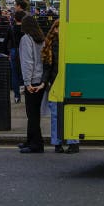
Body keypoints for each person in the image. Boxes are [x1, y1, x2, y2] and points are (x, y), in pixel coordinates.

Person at [41, 19, 78, 153]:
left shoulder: (72, 44)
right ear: (55, 29)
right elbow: (47, 68)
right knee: (56, 115)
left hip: (70, 83)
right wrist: (44, 83)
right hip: (55, 84)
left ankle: (73, 142)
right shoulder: (51, 45)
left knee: (71, 113)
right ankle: (57, 143)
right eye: (61, 28)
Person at [18, 15, 45, 153]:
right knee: (34, 113)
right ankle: (30, 140)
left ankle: (36, 144)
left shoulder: (26, 39)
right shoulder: (41, 39)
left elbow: (27, 62)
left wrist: (27, 82)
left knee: (32, 114)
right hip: (40, 80)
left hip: (32, 81)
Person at [4, 10, 25, 104]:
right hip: (24, 52)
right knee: (25, 72)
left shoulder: (11, 28)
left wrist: (7, 53)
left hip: (13, 51)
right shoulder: (26, 28)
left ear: (15, 18)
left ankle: (17, 96)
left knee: (14, 74)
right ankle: (25, 91)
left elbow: (5, 41)